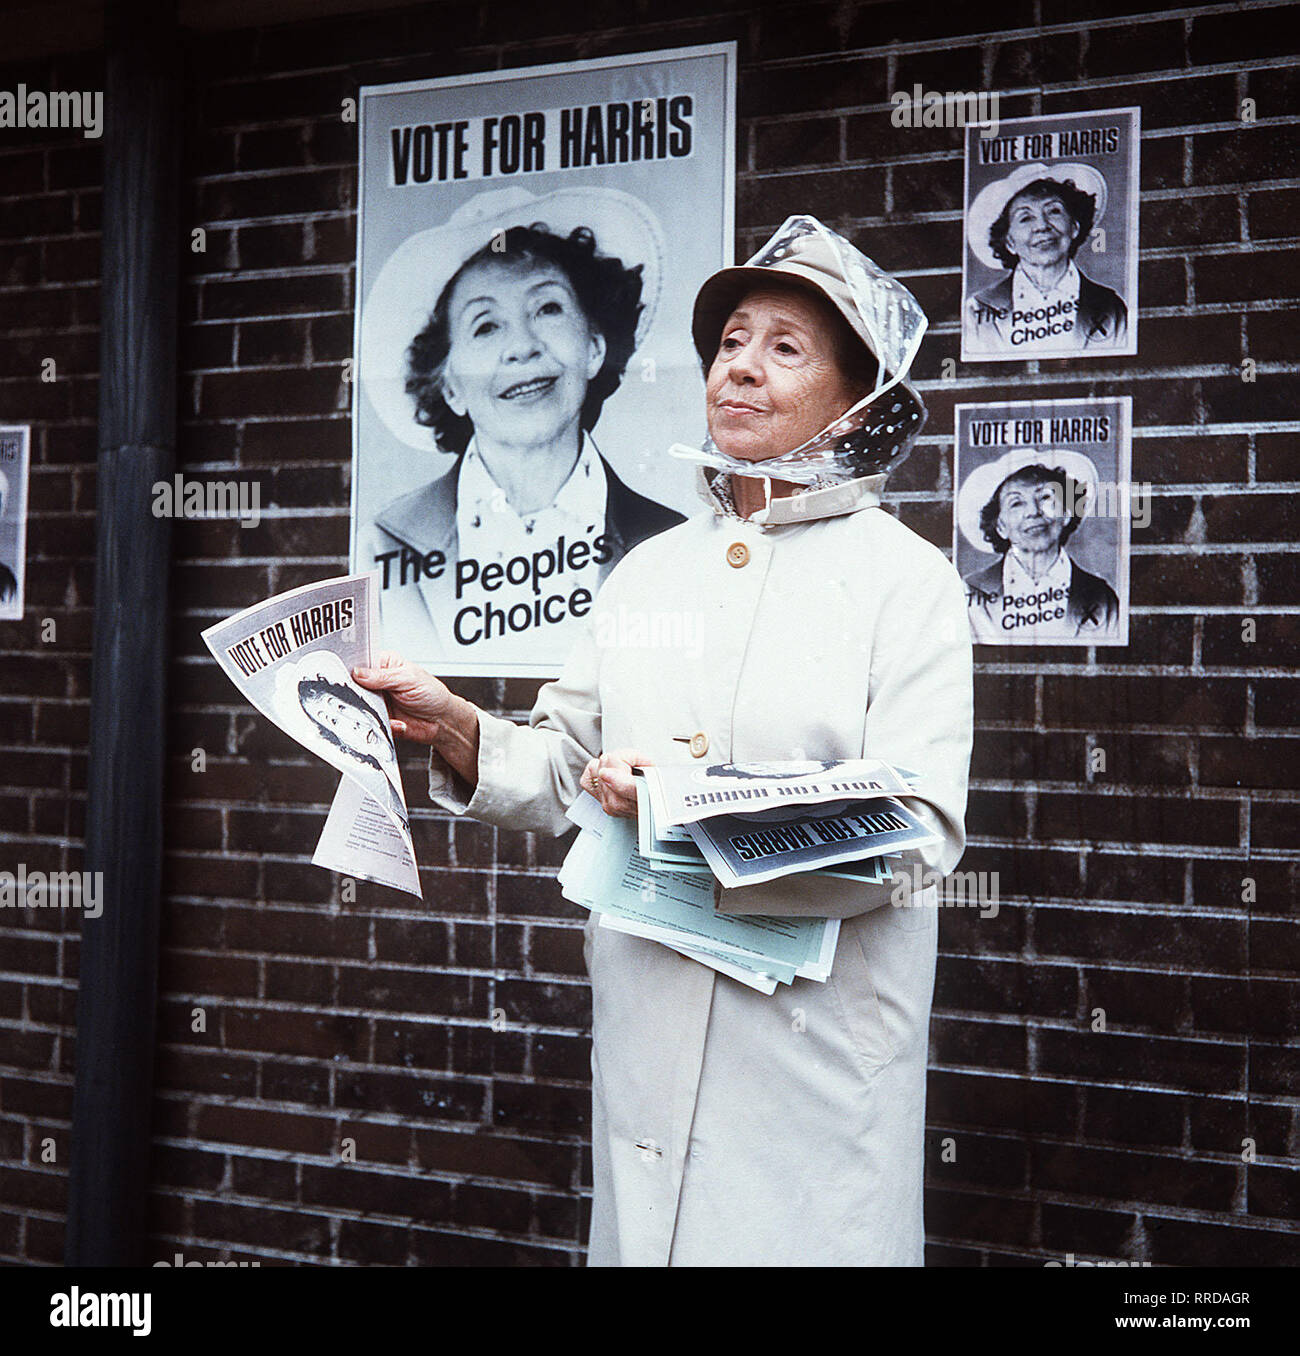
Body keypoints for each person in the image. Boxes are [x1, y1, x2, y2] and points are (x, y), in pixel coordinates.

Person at [355, 216, 973, 1267]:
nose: (740, 366)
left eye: (786, 348)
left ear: (857, 400)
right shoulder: (647, 573)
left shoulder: (905, 582)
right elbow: (566, 763)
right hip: (645, 1057)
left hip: (811, 1081)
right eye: (732, 339)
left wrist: (688, 805)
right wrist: (455, 725)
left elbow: (914, 829)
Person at [357, 187, 685, 666]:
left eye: (547, 309)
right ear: (449, 386)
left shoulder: (668, 543)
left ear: (595, 347)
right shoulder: (384, 543)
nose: (522, 347)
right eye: (486, 326)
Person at [964, 162, 1127, 354]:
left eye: (1054, 211)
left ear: (1074, 227)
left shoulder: (1110, 307)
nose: (1042, 226)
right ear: (1009, 242)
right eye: (1025, 218)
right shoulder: (977, 310)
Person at [958, 451, 1120, 642]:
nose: (1033, 512)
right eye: (1016, 503)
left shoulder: (1101, 597)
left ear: (1066, 513)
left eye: (1045, 498)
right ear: (1000, 527)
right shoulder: (971, 591)